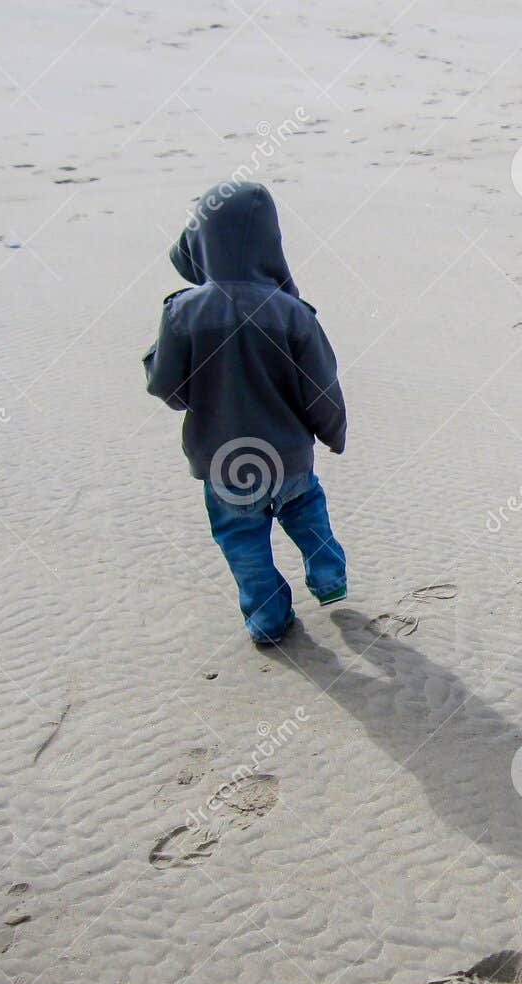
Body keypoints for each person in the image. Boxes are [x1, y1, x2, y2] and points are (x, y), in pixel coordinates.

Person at [144, 180, 348, 645]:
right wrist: (333, 432)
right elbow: (321, 388)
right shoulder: (294, 313)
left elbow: (168, 388)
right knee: (305, 510)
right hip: (290, 455)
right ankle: (328, 573)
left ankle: (268, 618)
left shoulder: (183, 313)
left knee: (242, 540)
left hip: (226, 461)